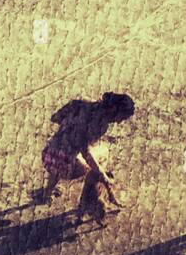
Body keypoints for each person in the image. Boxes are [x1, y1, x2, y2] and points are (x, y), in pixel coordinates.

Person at [40, 92, 135, 226]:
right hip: (68, 167)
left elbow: (54, 118)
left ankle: (47, 192)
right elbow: (86, 152)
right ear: (114, 109)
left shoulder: (80, 103)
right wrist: (102, 173)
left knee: (63, 153)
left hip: (49, 156)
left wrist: (70, 129)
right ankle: (85, 204)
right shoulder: (101, 125)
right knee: (101, 157)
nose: (119, 122)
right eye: (121, 117)